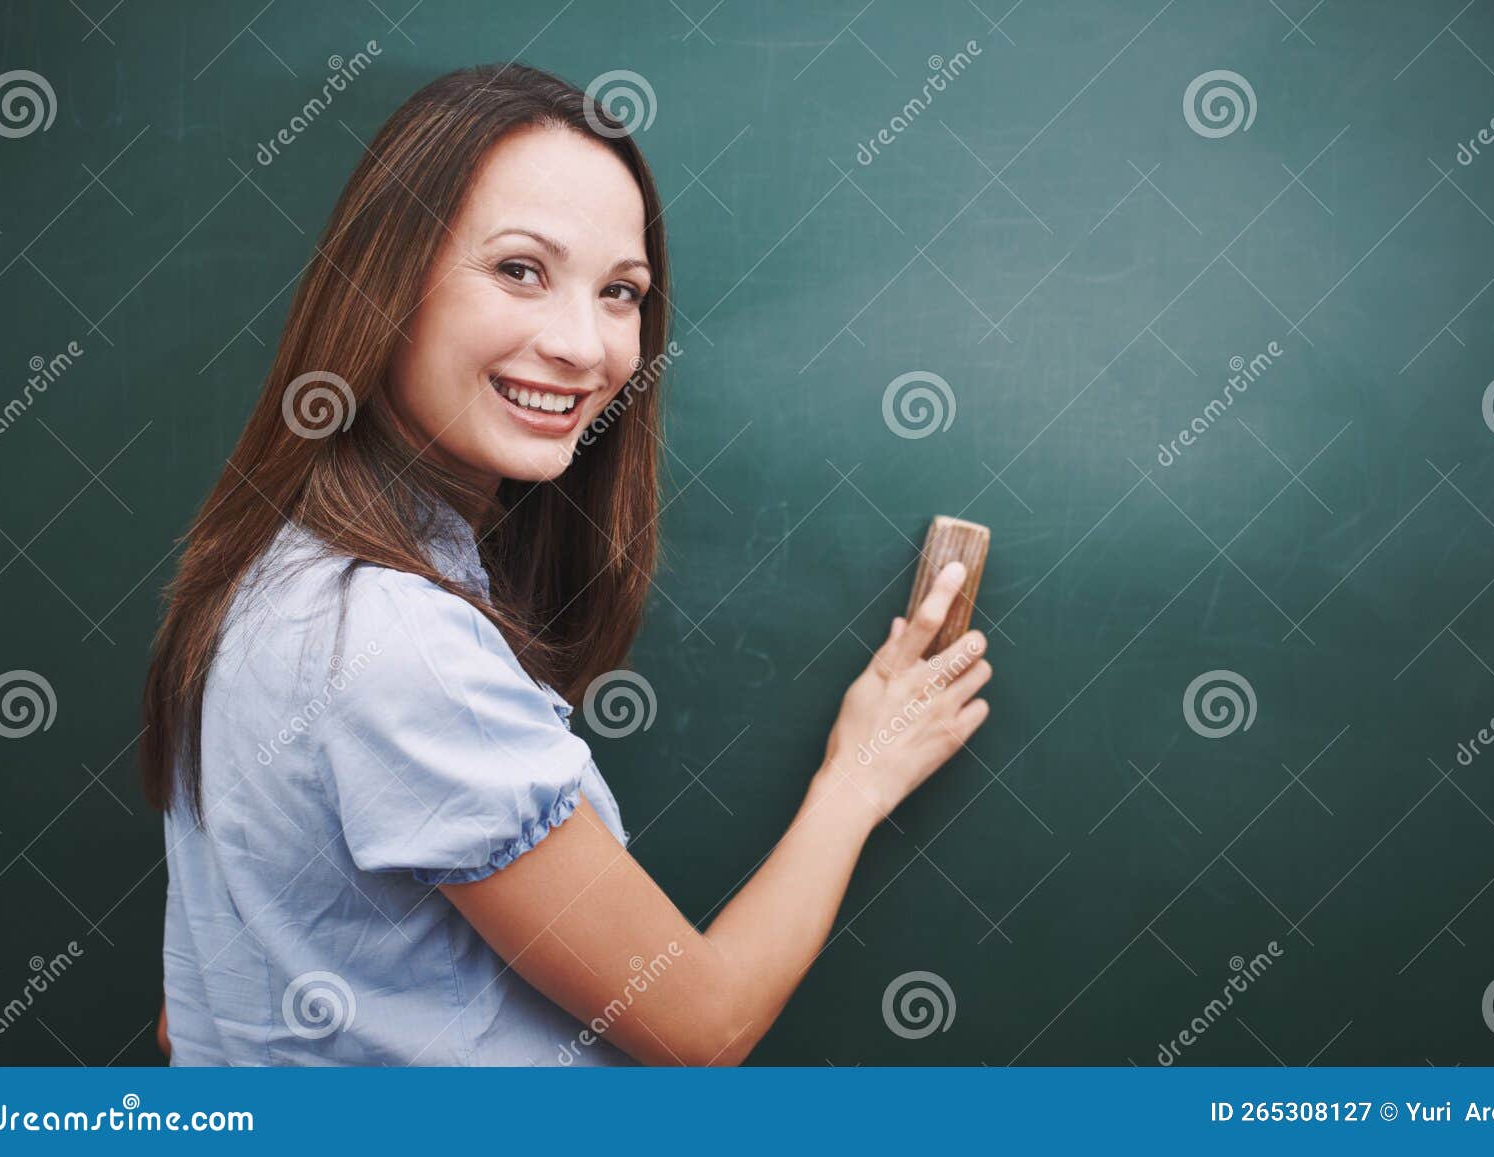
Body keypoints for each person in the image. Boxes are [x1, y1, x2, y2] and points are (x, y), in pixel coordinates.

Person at [141, 62, 991, 1066]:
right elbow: (699, 1023)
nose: (584, 346)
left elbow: (185, 1010)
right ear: (386, 281)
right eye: (518, 269)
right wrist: (859, 772)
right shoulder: (400, 642)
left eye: (620, 292)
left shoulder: (278, 568)